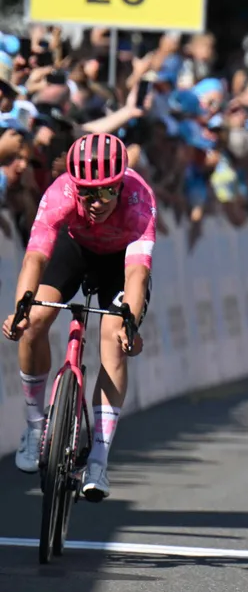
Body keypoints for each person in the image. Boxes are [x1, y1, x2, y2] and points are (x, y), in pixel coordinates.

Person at [3, 133, 155, 501]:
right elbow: (36, 257)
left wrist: (131, 323)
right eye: (87, 192)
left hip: (119, 263)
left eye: (107, 191)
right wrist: (22, 307)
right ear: (75, 185)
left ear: (121, 184)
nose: (97, 201)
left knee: (114, 341)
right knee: (35, 322)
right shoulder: (60, 194)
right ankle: (36, 425)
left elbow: (136, 274)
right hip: (74, 249)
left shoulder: (139, 200)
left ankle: (99, 459)